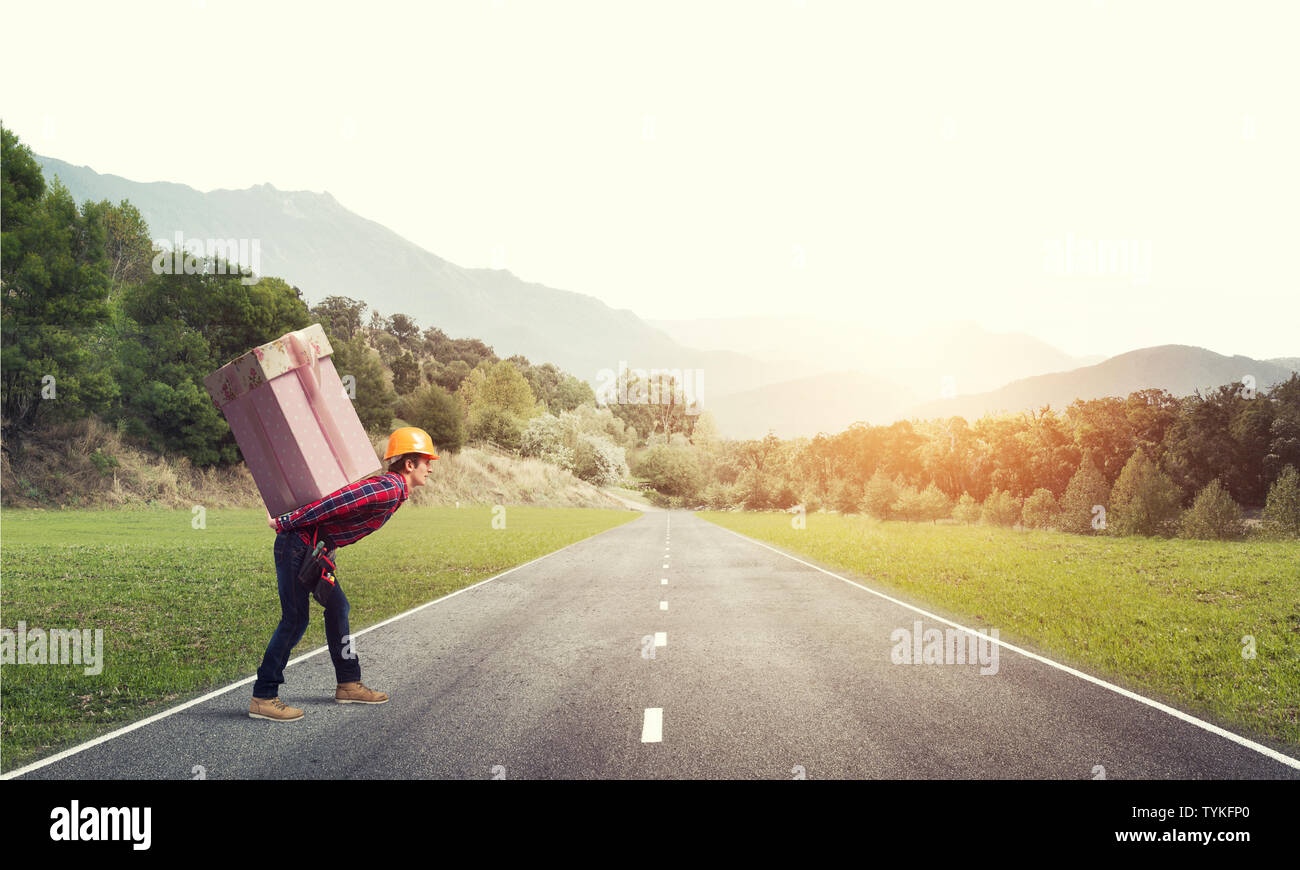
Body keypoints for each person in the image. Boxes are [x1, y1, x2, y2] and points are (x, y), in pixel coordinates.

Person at [248, 427, 437, 722]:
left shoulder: (396, 491)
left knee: (339, 607)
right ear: (410, 464)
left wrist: (327, 551)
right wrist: (286, 521)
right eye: (427, 461)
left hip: (314, 549)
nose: (431, 467)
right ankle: (263, 695)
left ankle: (348, 684)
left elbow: (340, 515)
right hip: (298, 544)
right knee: (295, 620)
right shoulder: (389, 487)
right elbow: (336, 502)